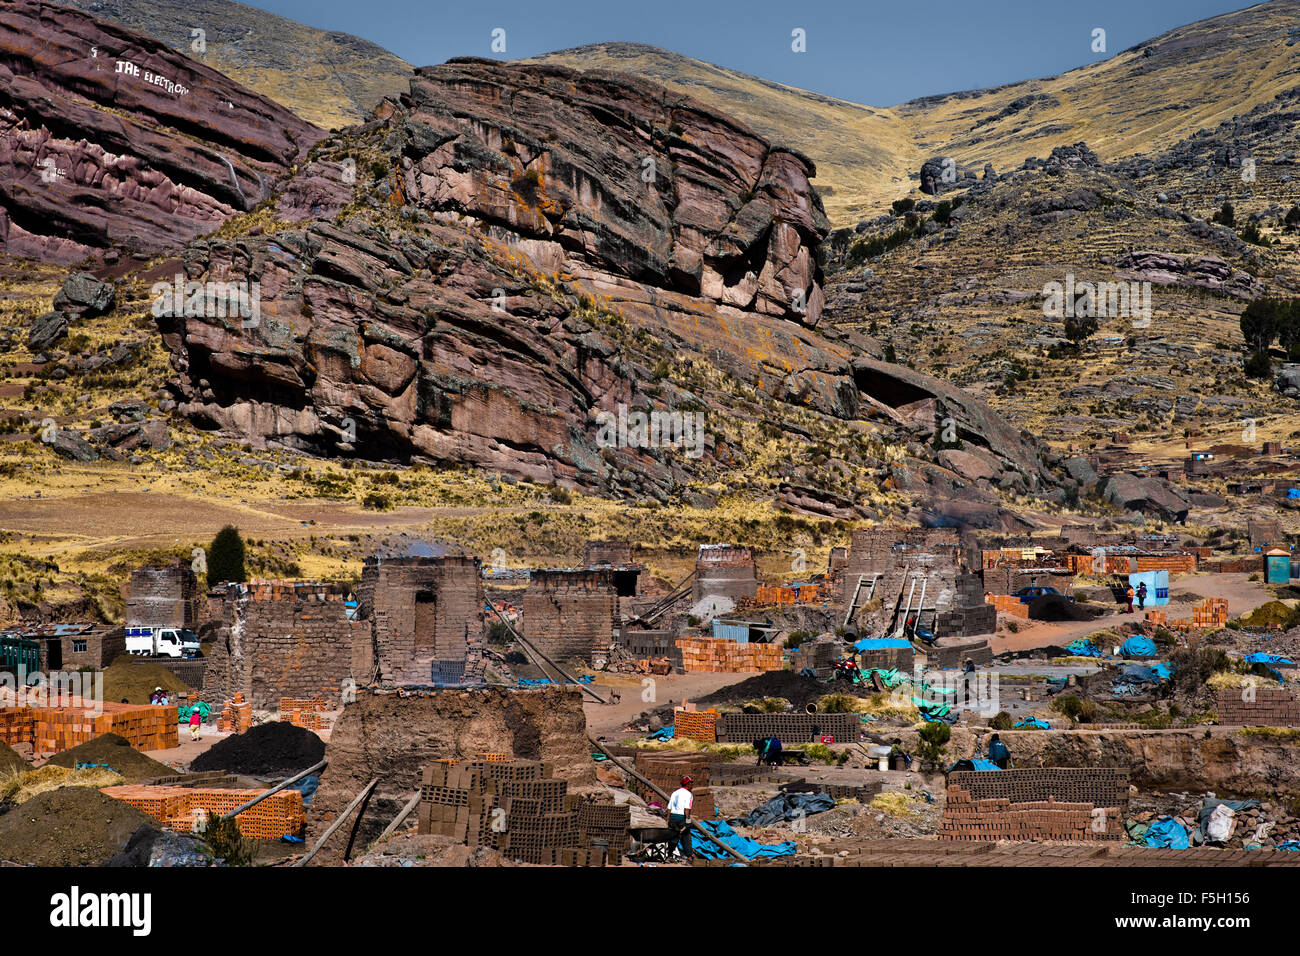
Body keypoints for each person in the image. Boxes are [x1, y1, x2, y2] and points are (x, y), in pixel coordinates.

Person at [667, 776, 694, 858]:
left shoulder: (674, 793)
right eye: (691, 783)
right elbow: (687, 809)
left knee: (674, 836)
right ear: (687, 784)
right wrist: (688, 821)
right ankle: (689, 855)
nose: (692, 785)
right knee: (686, 836)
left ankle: (669, 854)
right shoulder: (689, 794)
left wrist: (668, 820)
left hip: (672, 817)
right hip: (681, 818)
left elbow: (669, 808)